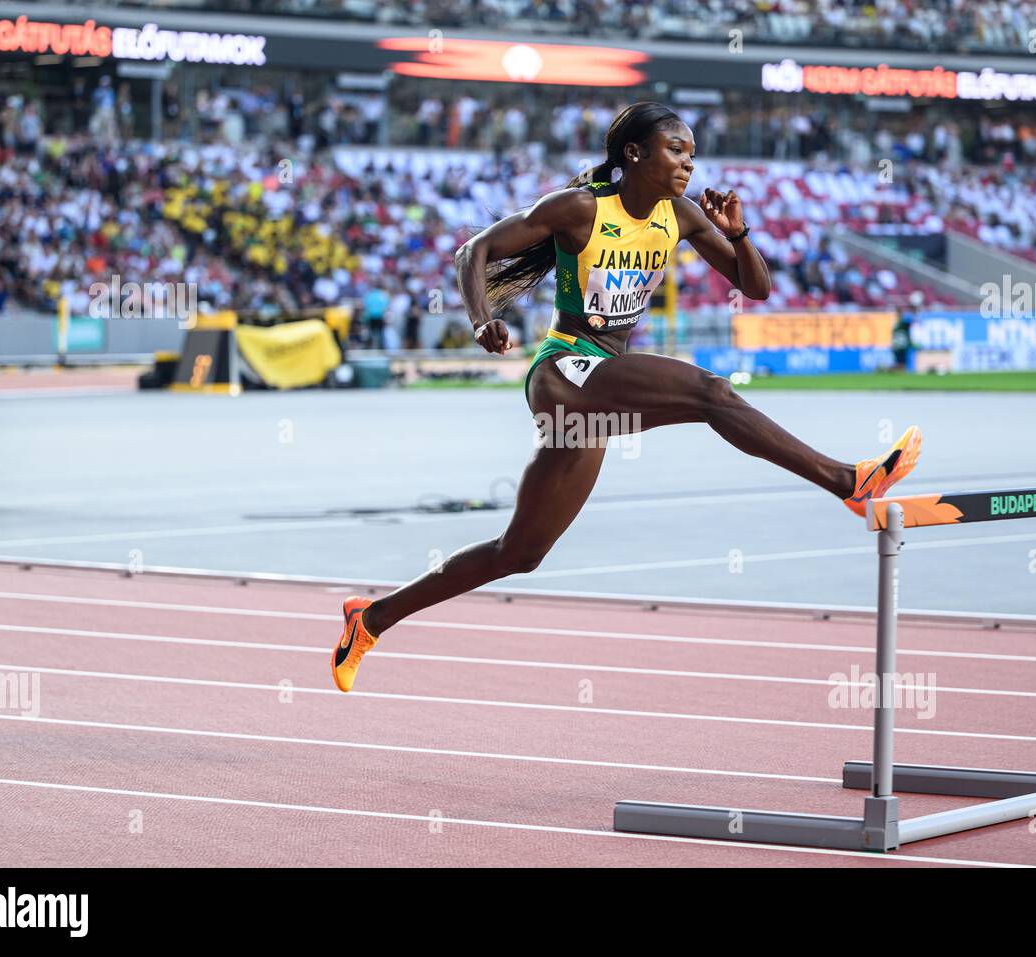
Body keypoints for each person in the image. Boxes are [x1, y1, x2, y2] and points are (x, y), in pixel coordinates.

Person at [331, 102, 922, 692]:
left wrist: (738, 232)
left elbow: (755, 287)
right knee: (710, 392)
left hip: (604, 380)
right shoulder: (581, 208)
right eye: (676, 149)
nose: (688, 162)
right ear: (635, 154)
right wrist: (482, 318)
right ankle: (848, 482)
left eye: (692, 152)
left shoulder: (681, 215)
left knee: (520, 552)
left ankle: (372, 618)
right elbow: (473, 252)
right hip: (564, 369)